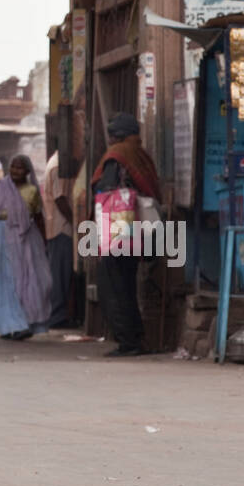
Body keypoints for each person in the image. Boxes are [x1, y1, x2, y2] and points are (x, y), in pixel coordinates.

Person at [92, 112, 162, 358]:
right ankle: (135, 339)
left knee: (113, 284)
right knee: (127, 283)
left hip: (119, 226)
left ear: (115, 135)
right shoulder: (141, 154)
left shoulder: (116, 155)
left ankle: (128, 341)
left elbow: (109, 191)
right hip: (139, 230)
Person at [0, 154, 52, 340]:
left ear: (27, 171)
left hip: (24, 239)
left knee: (24, 281)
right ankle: (6, 325)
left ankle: (23, 323)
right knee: (2, 280)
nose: (15, 171)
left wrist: (44, 241)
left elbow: (38, 217)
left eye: (20, 168)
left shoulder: (32, 191)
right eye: (13, 167)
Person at [42, 148, 75, 327]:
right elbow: (60, 199)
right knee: (60, 274)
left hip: (62, 227)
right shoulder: (58, 166)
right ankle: (56, 316)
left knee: (62, 273)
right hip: (61, 227)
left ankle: (61, 314)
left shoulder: (59, 163)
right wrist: (76, 224)